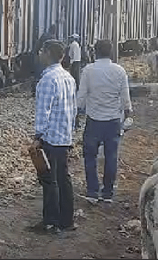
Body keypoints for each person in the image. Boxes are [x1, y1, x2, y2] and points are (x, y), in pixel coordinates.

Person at [28, 39, 78, 234]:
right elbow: (73, 109)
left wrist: (38, 136)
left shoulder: (48, 79)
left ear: (48, 53)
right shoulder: (68, 77)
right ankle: (67, 220)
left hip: (51, 137)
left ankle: (50, 222)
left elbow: (43, 112)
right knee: (63, 178)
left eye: (42, 50)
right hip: (64, 136)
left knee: (50, 180)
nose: (39, 53)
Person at [77, 39, 132, 204]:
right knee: (111, 157)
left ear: (95, 52)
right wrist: (127, 113)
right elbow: (125, 97)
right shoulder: (119, 71)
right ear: (111, 52)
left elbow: (81, 96)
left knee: (90, 156)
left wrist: (76, 113)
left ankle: (92, 191)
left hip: (94, 120)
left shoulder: (88, 70)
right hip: (113, 121)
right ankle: (108, 193)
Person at [32, 24, 58, 94]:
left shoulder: (44, 35)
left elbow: (38, 45)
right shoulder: (53, 38)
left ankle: (35, 89)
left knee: (38, 74)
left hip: (41, 56)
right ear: (54, 31)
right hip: (49, 59)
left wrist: (37, 53)